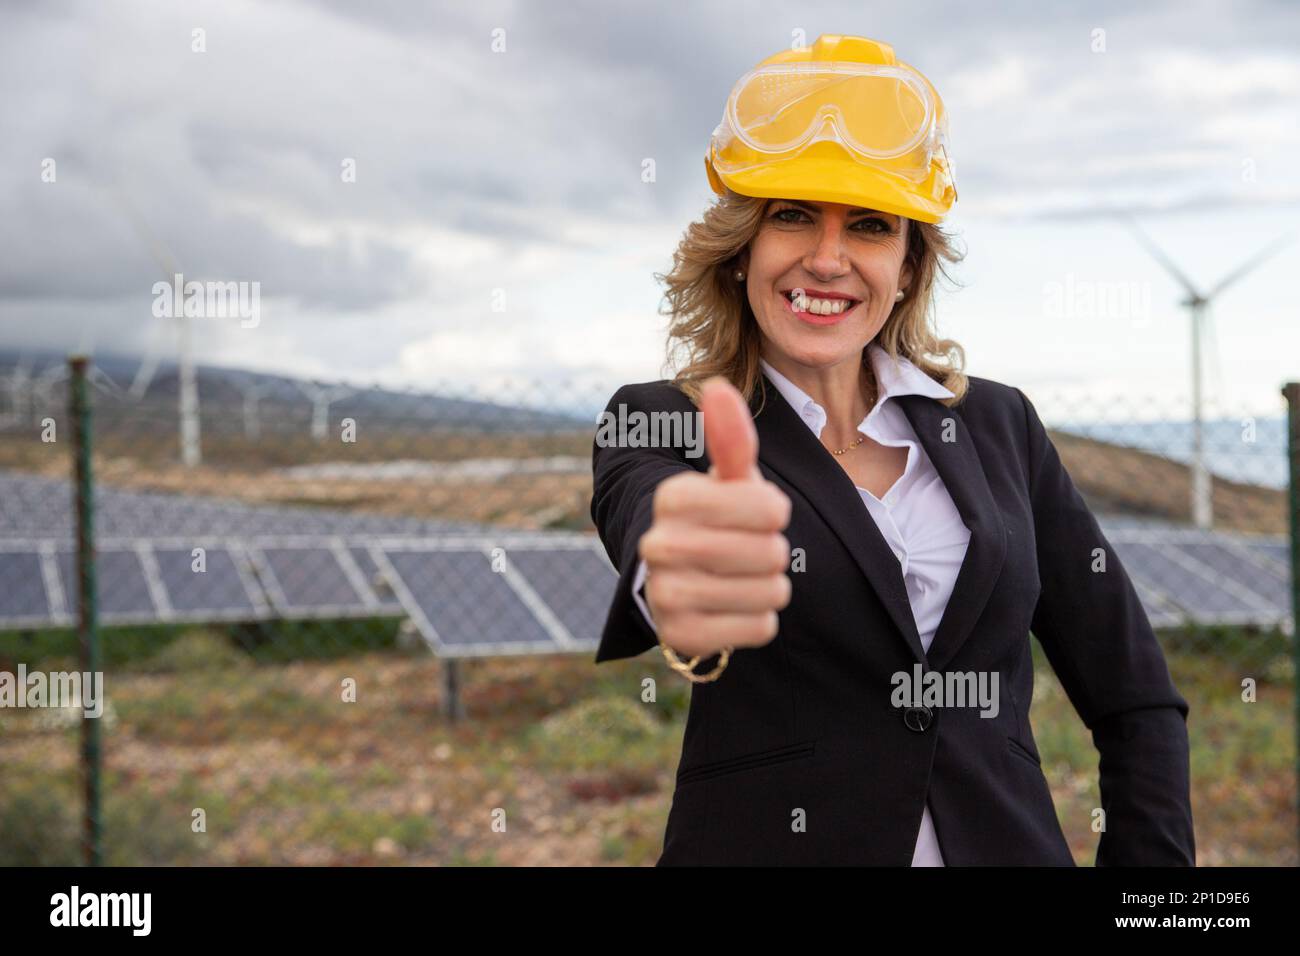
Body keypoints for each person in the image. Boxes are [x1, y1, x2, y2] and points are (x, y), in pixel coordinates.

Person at [589, 34, 1194, 865]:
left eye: (869, 226)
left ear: (908, 265)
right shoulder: (663, 421)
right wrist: (687, 573)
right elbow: (655, 526)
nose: (827, 259)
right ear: (741, 251)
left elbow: (1135, 698)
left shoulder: (1001, 426)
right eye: (792, 215)